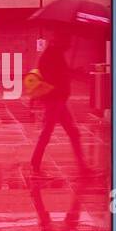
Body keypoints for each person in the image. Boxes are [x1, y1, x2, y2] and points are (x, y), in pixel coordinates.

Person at [29, 30, 89, 176]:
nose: (70, 44)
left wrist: (72, 71)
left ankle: (83, 167)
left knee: (73, 132)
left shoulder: (56, 53)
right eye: (67, 41)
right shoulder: (51, 55)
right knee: (47, 132)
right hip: (54, 100)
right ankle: (35, 163)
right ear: (60, 40)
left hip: (60, 100)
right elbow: (53, 76)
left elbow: (61, 72)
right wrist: (69, 74)